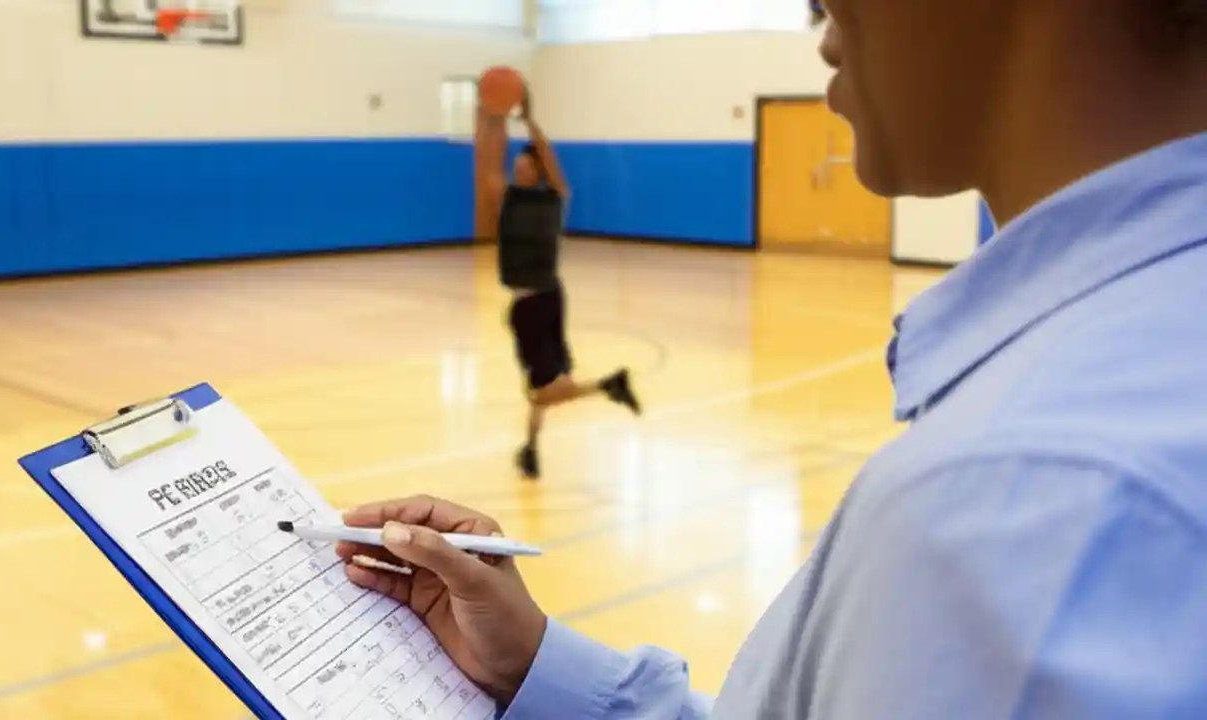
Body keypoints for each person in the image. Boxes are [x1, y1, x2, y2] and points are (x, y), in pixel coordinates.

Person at [338, 1, 1207, 717]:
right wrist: (537, 670)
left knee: (548, 385)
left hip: (539, 291)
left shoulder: (1024, 490)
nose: (814, 9)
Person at [475, 89, 641, 480]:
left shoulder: (553, 198)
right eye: (517, 165)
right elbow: (489, 172)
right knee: (550, 385)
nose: (519, 169)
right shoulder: (509, 199)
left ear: (538, 169)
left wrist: (530, 121)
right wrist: (494, 120)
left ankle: (607, 386)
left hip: (538, 303)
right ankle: (531, 449)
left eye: (525, 164)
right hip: (540, 300)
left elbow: (547, 154)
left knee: (541, 390)